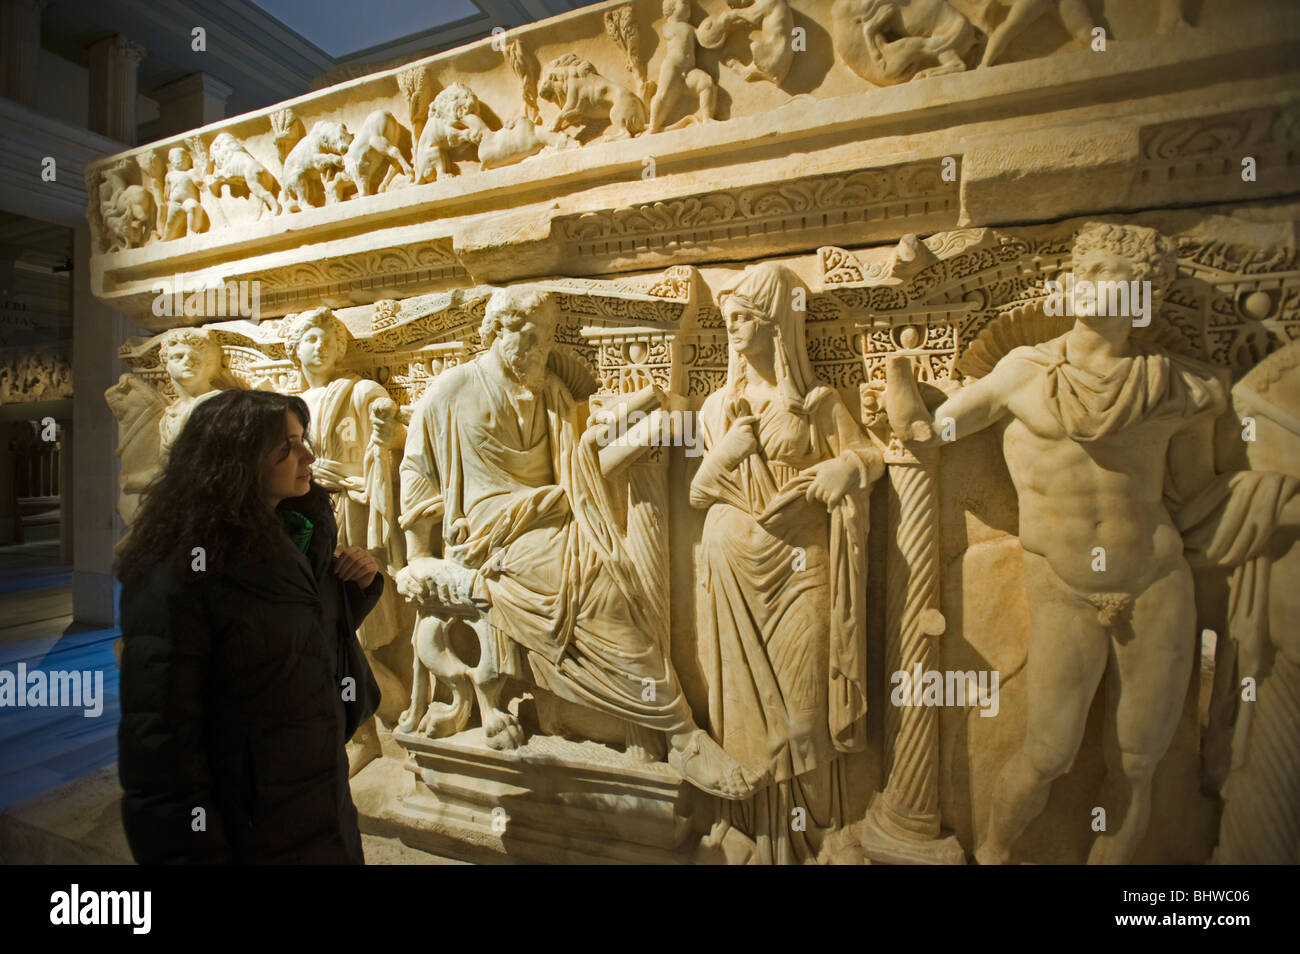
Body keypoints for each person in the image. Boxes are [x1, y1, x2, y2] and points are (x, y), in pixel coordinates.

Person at [886, 222, 1227, 864]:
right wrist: (900, 380)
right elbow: (930, 434)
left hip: (1156, 582)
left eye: (1114, 276)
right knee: (1048, 752)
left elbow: (1195, 498)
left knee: (1136, 762)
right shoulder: (1023, 373)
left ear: (1144, 297)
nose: (1093, 286)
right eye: (1088, 272)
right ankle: (992, 854)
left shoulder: (1177, 387)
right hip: (1065, 588)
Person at [399, 286, 766, 800]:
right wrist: (418, 556)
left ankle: (656, 723)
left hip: (550, 515)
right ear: (495, 331)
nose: (535, 351)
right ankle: (682, 732)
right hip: (488, 537)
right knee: (601, 589)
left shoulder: (548, 391)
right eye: (525, 338)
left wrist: (644, 418)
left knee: (621, 571)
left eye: (545, 341)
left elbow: (577, 475)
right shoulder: (451, 391)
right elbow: (417, 470)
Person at [115, 389, 382, 864]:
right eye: (290, 445)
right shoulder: (180, 570)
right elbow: (162, 747)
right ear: (238, 458)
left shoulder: (297, 540)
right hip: (252, 824)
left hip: (319, 807)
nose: (309, 456)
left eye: (303, 440)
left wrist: (354, 590)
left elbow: (288, 644)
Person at [690, 262, 883, 863]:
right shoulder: (720, 407)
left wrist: (845, 468)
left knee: (807, 716)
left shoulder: (817, 403)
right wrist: (728, 450)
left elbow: (870, 457)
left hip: (802, 566)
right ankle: (753, 831)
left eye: (744, 318)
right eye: (728, 321)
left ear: (777, 325)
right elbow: (698, 493)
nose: (733, 331)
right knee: (744, 720)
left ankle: (822, 830)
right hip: (731, 571)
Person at [282, 306, 410, 775]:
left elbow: (398, 434)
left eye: (329, 340)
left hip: (348, 511)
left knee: (354, 624)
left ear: (341, 349)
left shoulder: (359, 391)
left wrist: (386, 432)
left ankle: (370, 729)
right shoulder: (286, 402)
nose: (320, 347)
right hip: (302, 519)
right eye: (310, 339)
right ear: (295, 348)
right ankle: (357, 726)